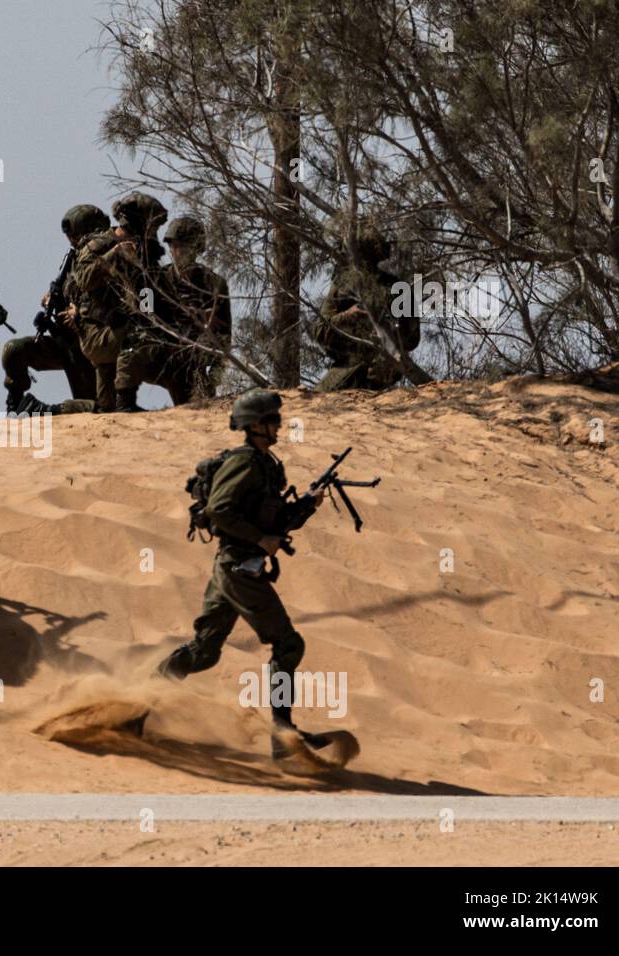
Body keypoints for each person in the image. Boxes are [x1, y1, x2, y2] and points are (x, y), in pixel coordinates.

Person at [156, 388, 326, 749]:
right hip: (238, 567)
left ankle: (141, 700)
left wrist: (308, 505)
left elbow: (274, 520)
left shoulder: (266, 465)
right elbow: (219, 509)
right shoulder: (245, 462)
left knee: (204, 651)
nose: (280, 426)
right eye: (274, 420)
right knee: (288, 644)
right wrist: (260, 539)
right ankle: (283, 732)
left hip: (232, 567)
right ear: (257, 425)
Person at [114, 215, 232, 410]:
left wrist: (212, 380)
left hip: (191, 365)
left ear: (196, 248)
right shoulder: (157, 278)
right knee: (129, 354)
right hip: (160, 357)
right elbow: (143, 315)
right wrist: (135, 273)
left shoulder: (214, 284)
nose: (177, 252)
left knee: (197, 415)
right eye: (173, 246)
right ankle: (123, 410)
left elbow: (224, 339)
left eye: (182, 247)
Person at [64, 192, 168, 413]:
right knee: (142, 333)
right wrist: (116, 254)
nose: (154, 232)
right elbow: (83, 280)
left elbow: (149, 295)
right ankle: (126, 404)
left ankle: (50, 410)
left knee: (104, 409)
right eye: (152, 226)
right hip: (97, 334)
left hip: (120, 332)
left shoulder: (144, 251)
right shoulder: (100, 245)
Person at [0, 204, 103, 415]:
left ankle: (42, 410)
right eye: (70, 237)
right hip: (66, 343)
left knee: (97, 409)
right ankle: (14, 407)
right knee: (14, 350)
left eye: (76, 236)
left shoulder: (109, 261)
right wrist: (52, 308)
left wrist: (80, 313)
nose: (72, 242)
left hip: (94, 350)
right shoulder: (74, 261)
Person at [313, 232, 419, 392]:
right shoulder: (341, 288)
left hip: (383, 372)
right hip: (346, 369)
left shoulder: (397, 288)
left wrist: (389, 334)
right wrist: (348, 315)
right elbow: (320, 331)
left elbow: (412, 339)